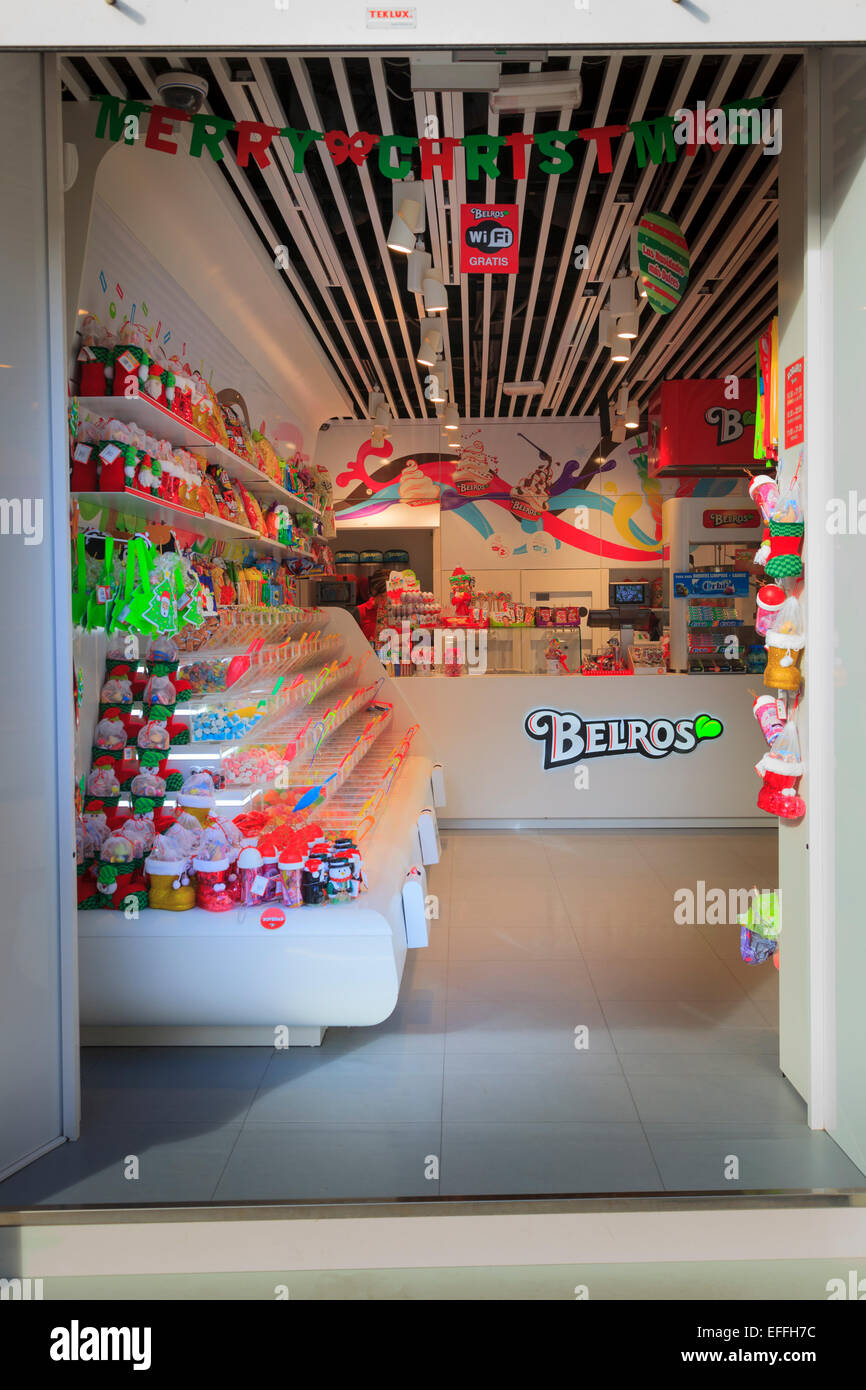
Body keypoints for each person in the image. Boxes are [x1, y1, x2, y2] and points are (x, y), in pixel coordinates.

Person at [356, 567, 390, 642]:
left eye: (390, 597)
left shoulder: (398, 611)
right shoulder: (360, 611)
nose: (386, 601)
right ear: (374, 592)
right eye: (382, 596)